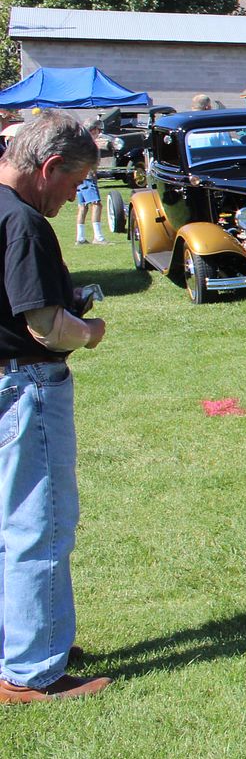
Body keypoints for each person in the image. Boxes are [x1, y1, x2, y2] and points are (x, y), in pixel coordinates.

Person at [0, 112, 110, 704]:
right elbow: (44, 326)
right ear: (48, 168)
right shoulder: (23, 222)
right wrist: (90, 330)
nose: (72, 197)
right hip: (25, 385)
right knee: (38, 525)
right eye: (72, 184)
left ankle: (25, 637)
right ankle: (32, 672)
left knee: (8, 526)